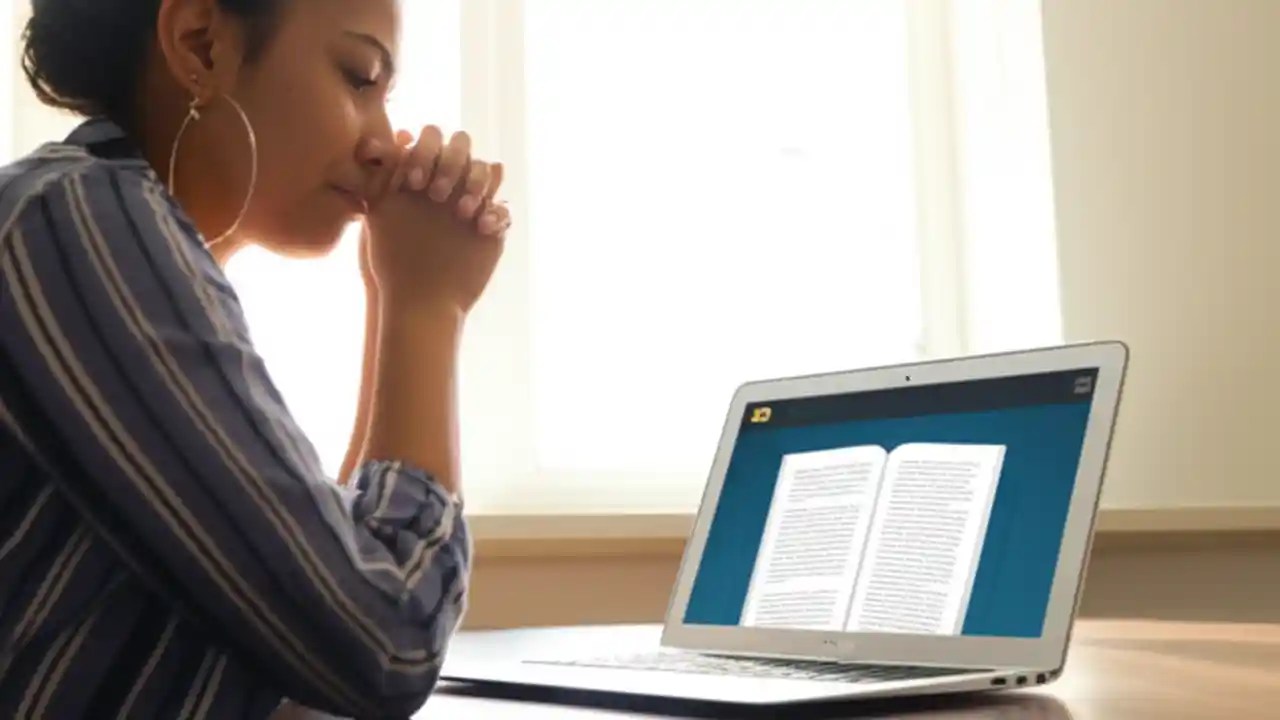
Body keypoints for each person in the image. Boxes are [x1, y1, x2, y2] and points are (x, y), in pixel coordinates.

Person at [0, 0, 509, 717]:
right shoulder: (78, 218)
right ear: (201, 46)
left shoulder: (104, 235)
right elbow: (384, 648)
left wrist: (398, 296)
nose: (384, 143)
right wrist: (426, 309)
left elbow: (320, 631)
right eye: (358, 77)